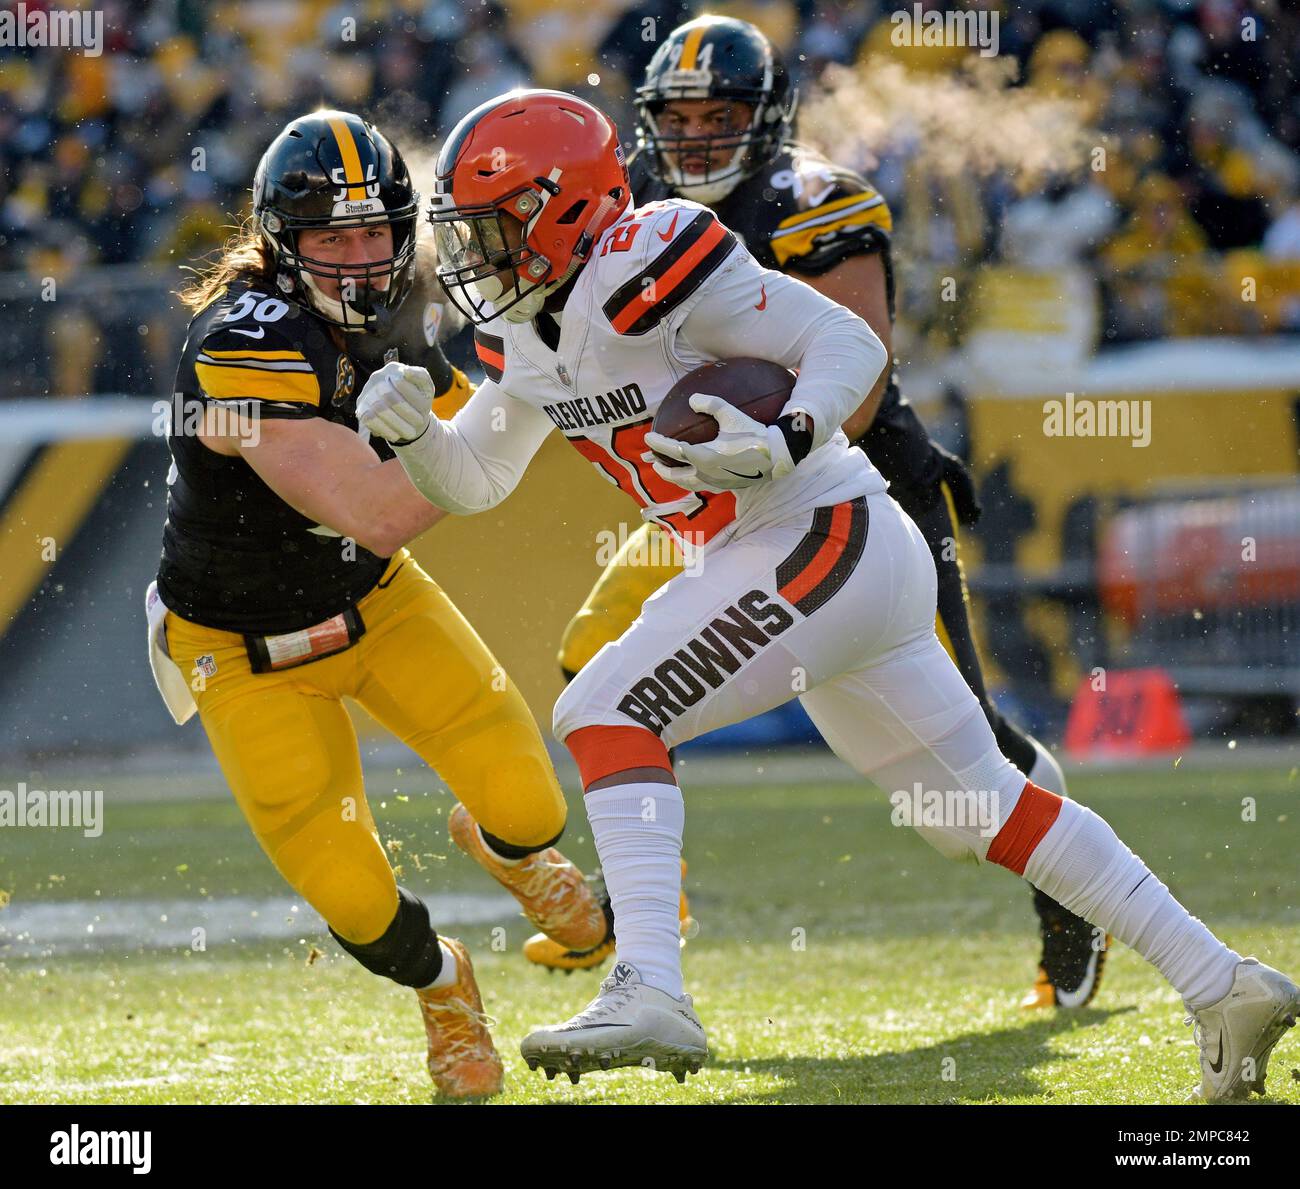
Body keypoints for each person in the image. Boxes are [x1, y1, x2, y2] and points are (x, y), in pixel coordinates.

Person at [357, 89, 1299, 1100]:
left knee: (605, 705)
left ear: (565, 206)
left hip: (819, 530)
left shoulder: (652, 256)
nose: (475, 256)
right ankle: (1226, 982)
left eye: (493, 227)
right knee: (977, 809)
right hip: (793, 559)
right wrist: (414, 435)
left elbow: (845, 343)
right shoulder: (526, 334)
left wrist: (791, 430)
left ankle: (649, 988)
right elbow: (479, 480)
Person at [529, 14, 1108, 1011]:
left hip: (850, 493)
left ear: (766, 118)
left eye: (723, 115)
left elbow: (864, 369)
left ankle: (1072, 899)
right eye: (682, 115)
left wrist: (769, 430)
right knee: (593, 660)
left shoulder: (809, 199)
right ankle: (645, 910)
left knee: (959, 743)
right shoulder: (637, 215)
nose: (700, 135)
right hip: (708, 499)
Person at [148, 109, 607, 1100]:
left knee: (529, 802)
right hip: (239, 650)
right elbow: (374, 508)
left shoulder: (403, 314)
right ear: (281, 240)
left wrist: (523, 389)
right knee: (356, 905)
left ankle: (505, 851)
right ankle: (446, 988)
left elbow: (437, 461)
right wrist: (525, 401)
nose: (359, 259)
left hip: (373, 603)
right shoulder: (241, 343)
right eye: (330, 237)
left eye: (374, 233)